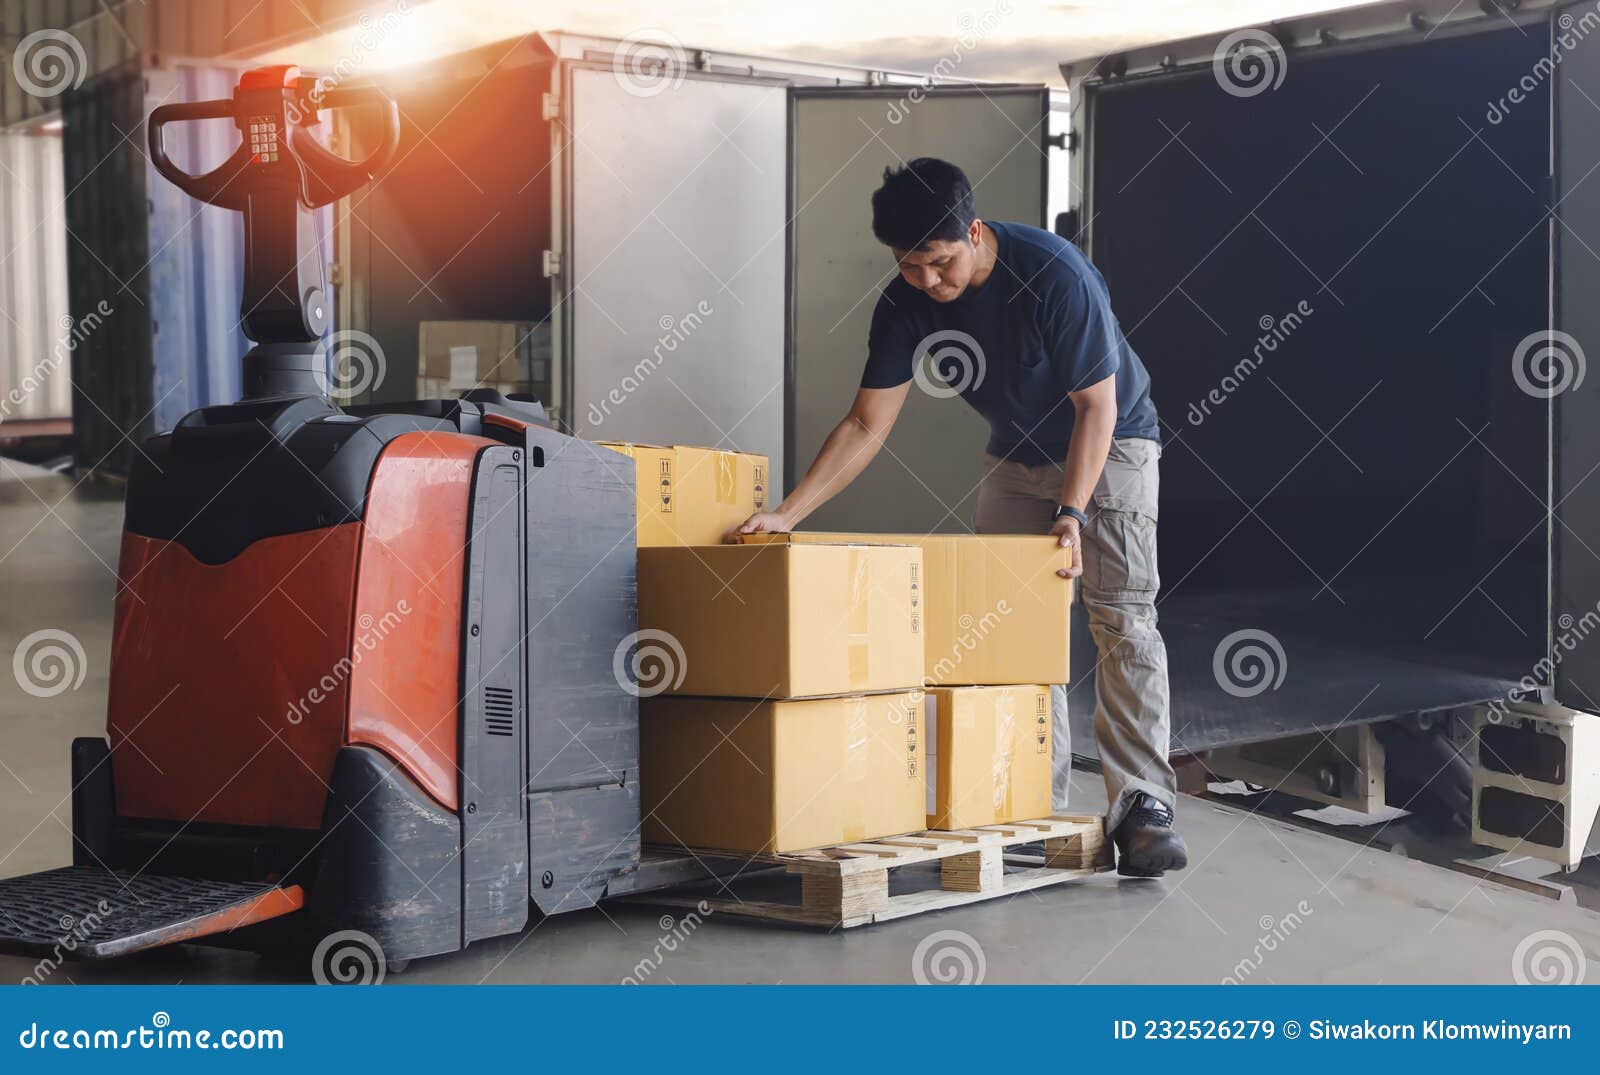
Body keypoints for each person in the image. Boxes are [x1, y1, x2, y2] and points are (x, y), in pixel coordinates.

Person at [731, 158, 1186, 876]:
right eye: (911, 267)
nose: (929, 282)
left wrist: (1071, 510)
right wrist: (788, 513)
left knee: (1119, 614)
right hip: (1016, 451)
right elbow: (864, 424)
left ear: (973, 233)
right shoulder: (905, 301)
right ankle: (1033, 796)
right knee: (1008, 625)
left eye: (941, 263)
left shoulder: (1052, 275)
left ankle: (1143, 804)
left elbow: (1095, 406)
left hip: (1112, 440)